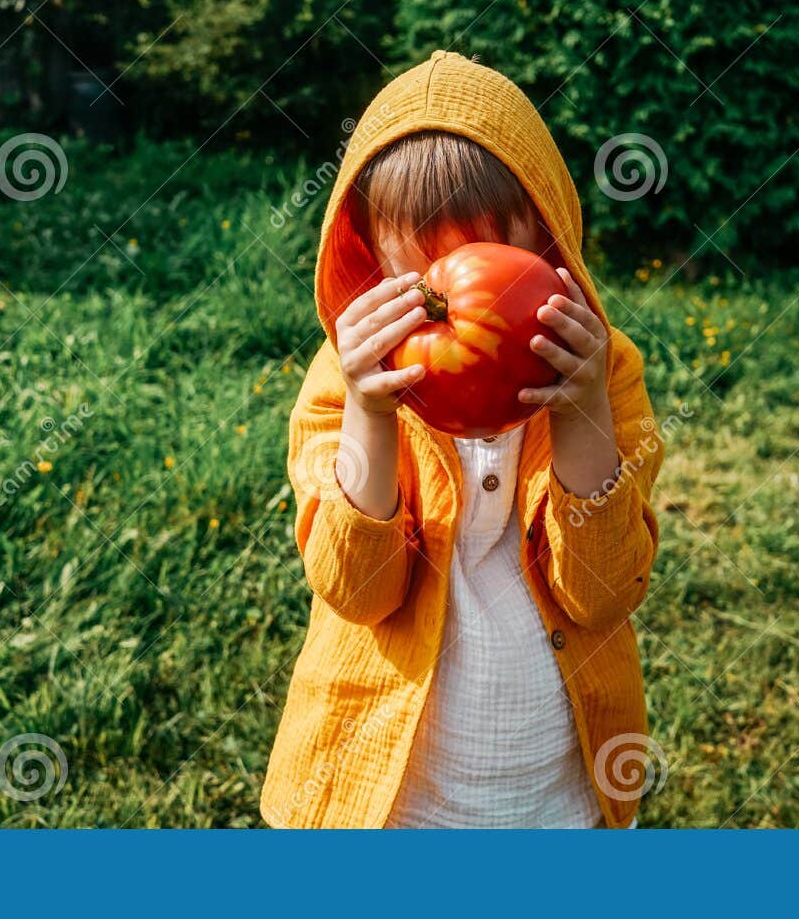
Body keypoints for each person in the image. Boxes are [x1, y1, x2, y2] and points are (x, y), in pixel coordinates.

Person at [261, 51, 663, 828]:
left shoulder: (600, 370)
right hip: (391, 799)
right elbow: (357, 591)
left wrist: (580, 414)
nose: (458, 299)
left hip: (554, 793)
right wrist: (371, 415)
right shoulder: (349, 377)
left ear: (549, 244)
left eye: (492, 261)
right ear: (372, 262)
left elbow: (605, 592)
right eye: (423, 279)